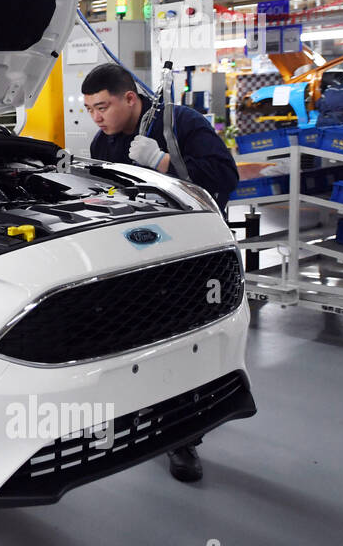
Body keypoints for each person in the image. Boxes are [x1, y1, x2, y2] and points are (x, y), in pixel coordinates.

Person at [81, 62, 239, 484]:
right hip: (139, 260)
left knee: (182, 349)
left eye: (102, 107)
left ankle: (182, 440)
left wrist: (162, 162)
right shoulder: (103, 143)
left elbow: (225, 178)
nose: (96, 118)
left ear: (129, 98)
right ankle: (142, 417)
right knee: (138, 347)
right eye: (90, 110)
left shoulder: (181, 122)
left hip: (191, 259)